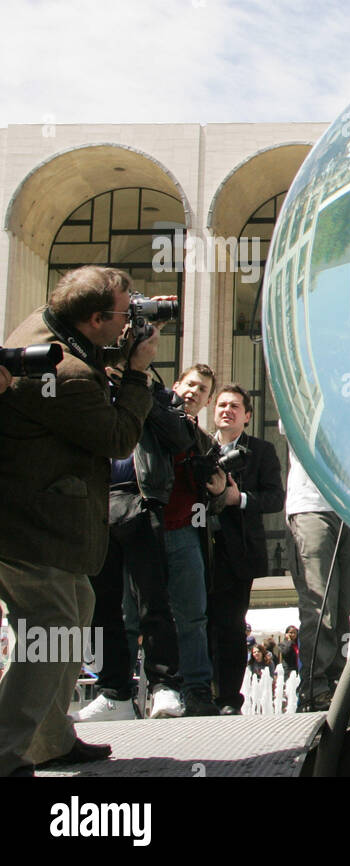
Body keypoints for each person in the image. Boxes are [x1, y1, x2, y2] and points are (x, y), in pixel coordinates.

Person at [0, 265, 159, 775]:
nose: (128, 319)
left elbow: (88, 358)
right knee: (49, 629)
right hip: (30, 526)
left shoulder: (50, 329)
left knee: (76, 611)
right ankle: (6, 750)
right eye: (122, 312)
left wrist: (118, 350)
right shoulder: (59, 372)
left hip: (44, 520)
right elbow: (117, 438)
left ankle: (49, 740)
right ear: (93, 318)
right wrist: (136, 373)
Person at [76, 366, 190, 722]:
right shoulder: (86, 389)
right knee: (102, 605)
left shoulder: (155, 394)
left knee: (153, 600)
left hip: (142, 499)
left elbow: (181, 439)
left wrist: (140, 390)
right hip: (95, 502)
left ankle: (164, 686)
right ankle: (115, 693)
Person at [208, 384, 285, 714]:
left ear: (248, 416)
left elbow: (274, 498)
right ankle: (200, 692)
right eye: (222, 405)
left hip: (238, 552)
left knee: (230, 624)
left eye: (235, 406)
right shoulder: (199, 447)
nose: (227, 410)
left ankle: (228, 698)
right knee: (200, 622)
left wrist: (238, 499)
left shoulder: (262, 450)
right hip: (200, 548)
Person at [160, 364, 231, 716]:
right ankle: (130, 691)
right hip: (144, 528)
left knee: (193, 615)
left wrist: (218, 490)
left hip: (186, 531)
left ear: (206, 401)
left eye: (202, 389)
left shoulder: (204, 442)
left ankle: (197, 691)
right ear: (176, 385)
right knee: (139, 615)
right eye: (190, 385)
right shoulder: (151, 420)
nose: (194, 392)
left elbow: (217, 499)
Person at [284, 440, 350, 712]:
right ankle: (314, 688)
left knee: (343, 607)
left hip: (349, 507)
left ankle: (337, 684)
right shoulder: (304, 397)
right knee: (320, 604)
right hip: (311, 506)